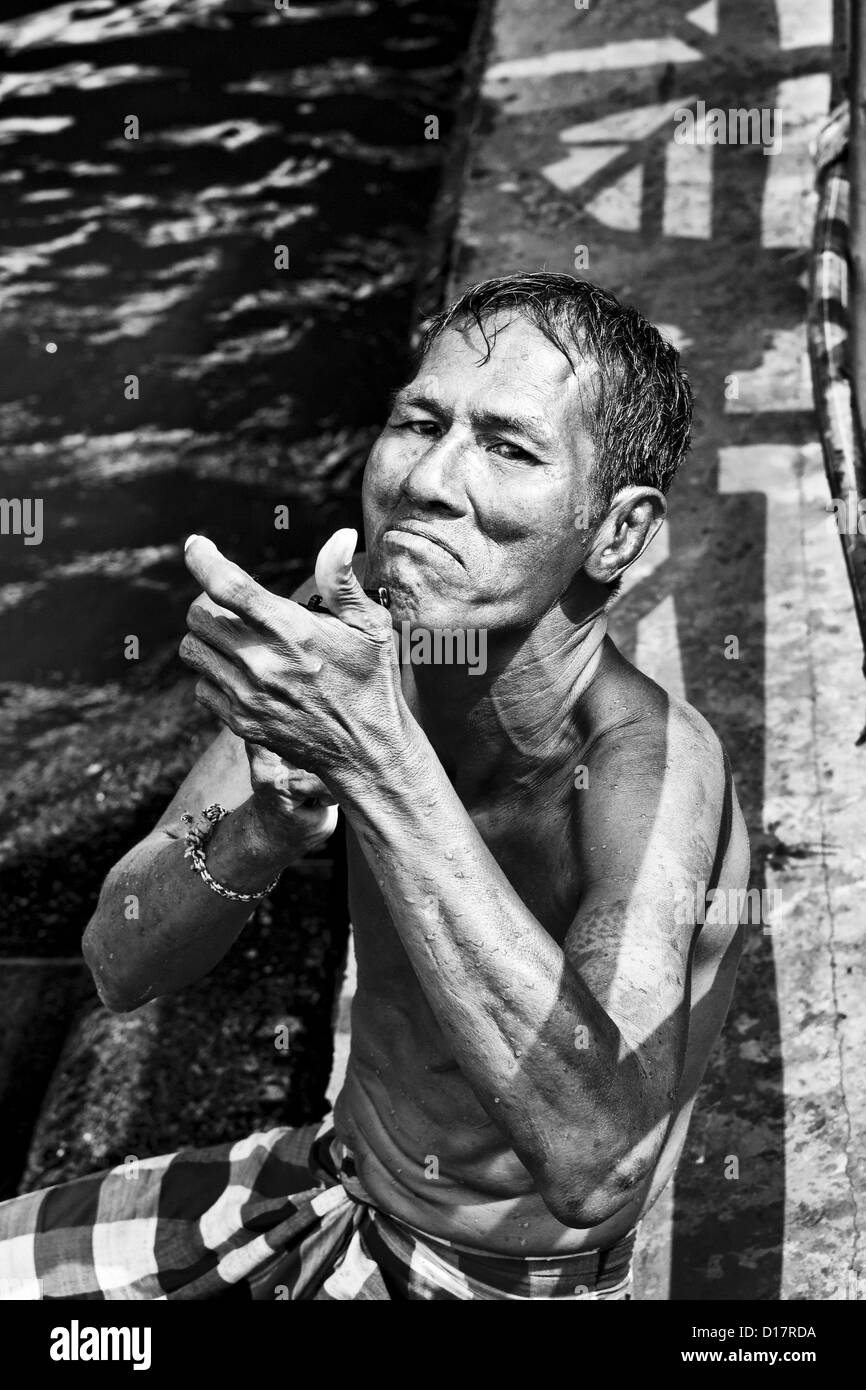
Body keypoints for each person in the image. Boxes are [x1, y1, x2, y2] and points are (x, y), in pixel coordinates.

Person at [0, 273, 749, 1300]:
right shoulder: (354, 635)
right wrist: (262, 825)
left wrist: (373, 760)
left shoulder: (649, 772)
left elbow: (596, 1158)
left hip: (498, 1283)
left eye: (508, 447)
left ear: (614, 533)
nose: (429, 481)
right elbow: (116, 958)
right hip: (326, 1187)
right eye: (419, 422)